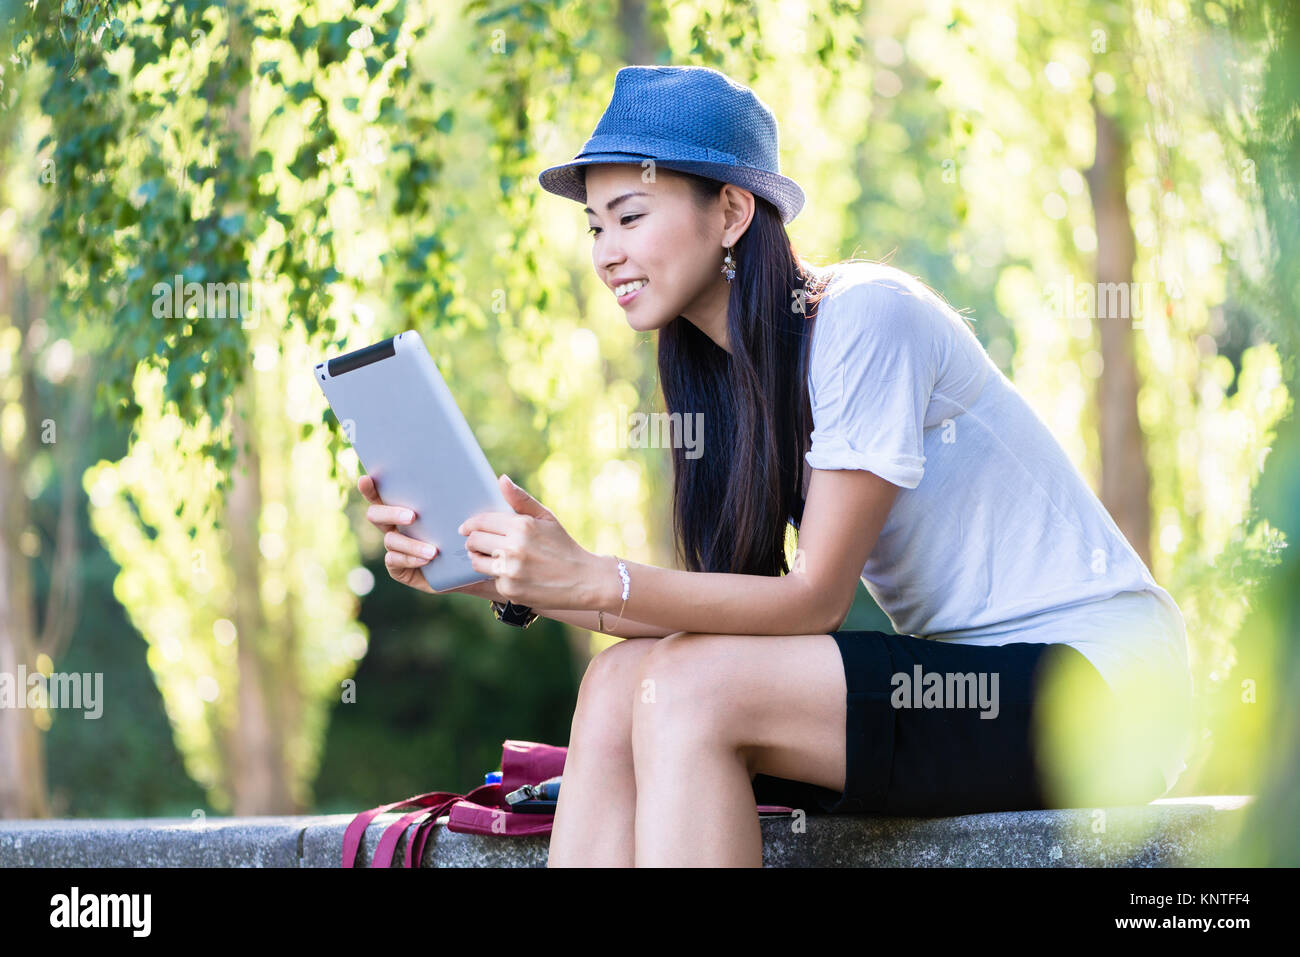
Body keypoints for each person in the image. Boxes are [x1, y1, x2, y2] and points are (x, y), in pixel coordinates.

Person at [357, 65, 1193, 867]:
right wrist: (518, 578)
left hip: (1098, 693)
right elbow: (735, 614)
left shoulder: (865, 317)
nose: (606, 251)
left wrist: (587, 575)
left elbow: (812, 601)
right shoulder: (724, 381)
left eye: (632, 215)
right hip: (967, 689)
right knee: (619, 686)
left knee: (690, 687)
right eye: (596, 225)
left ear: (730, 211)